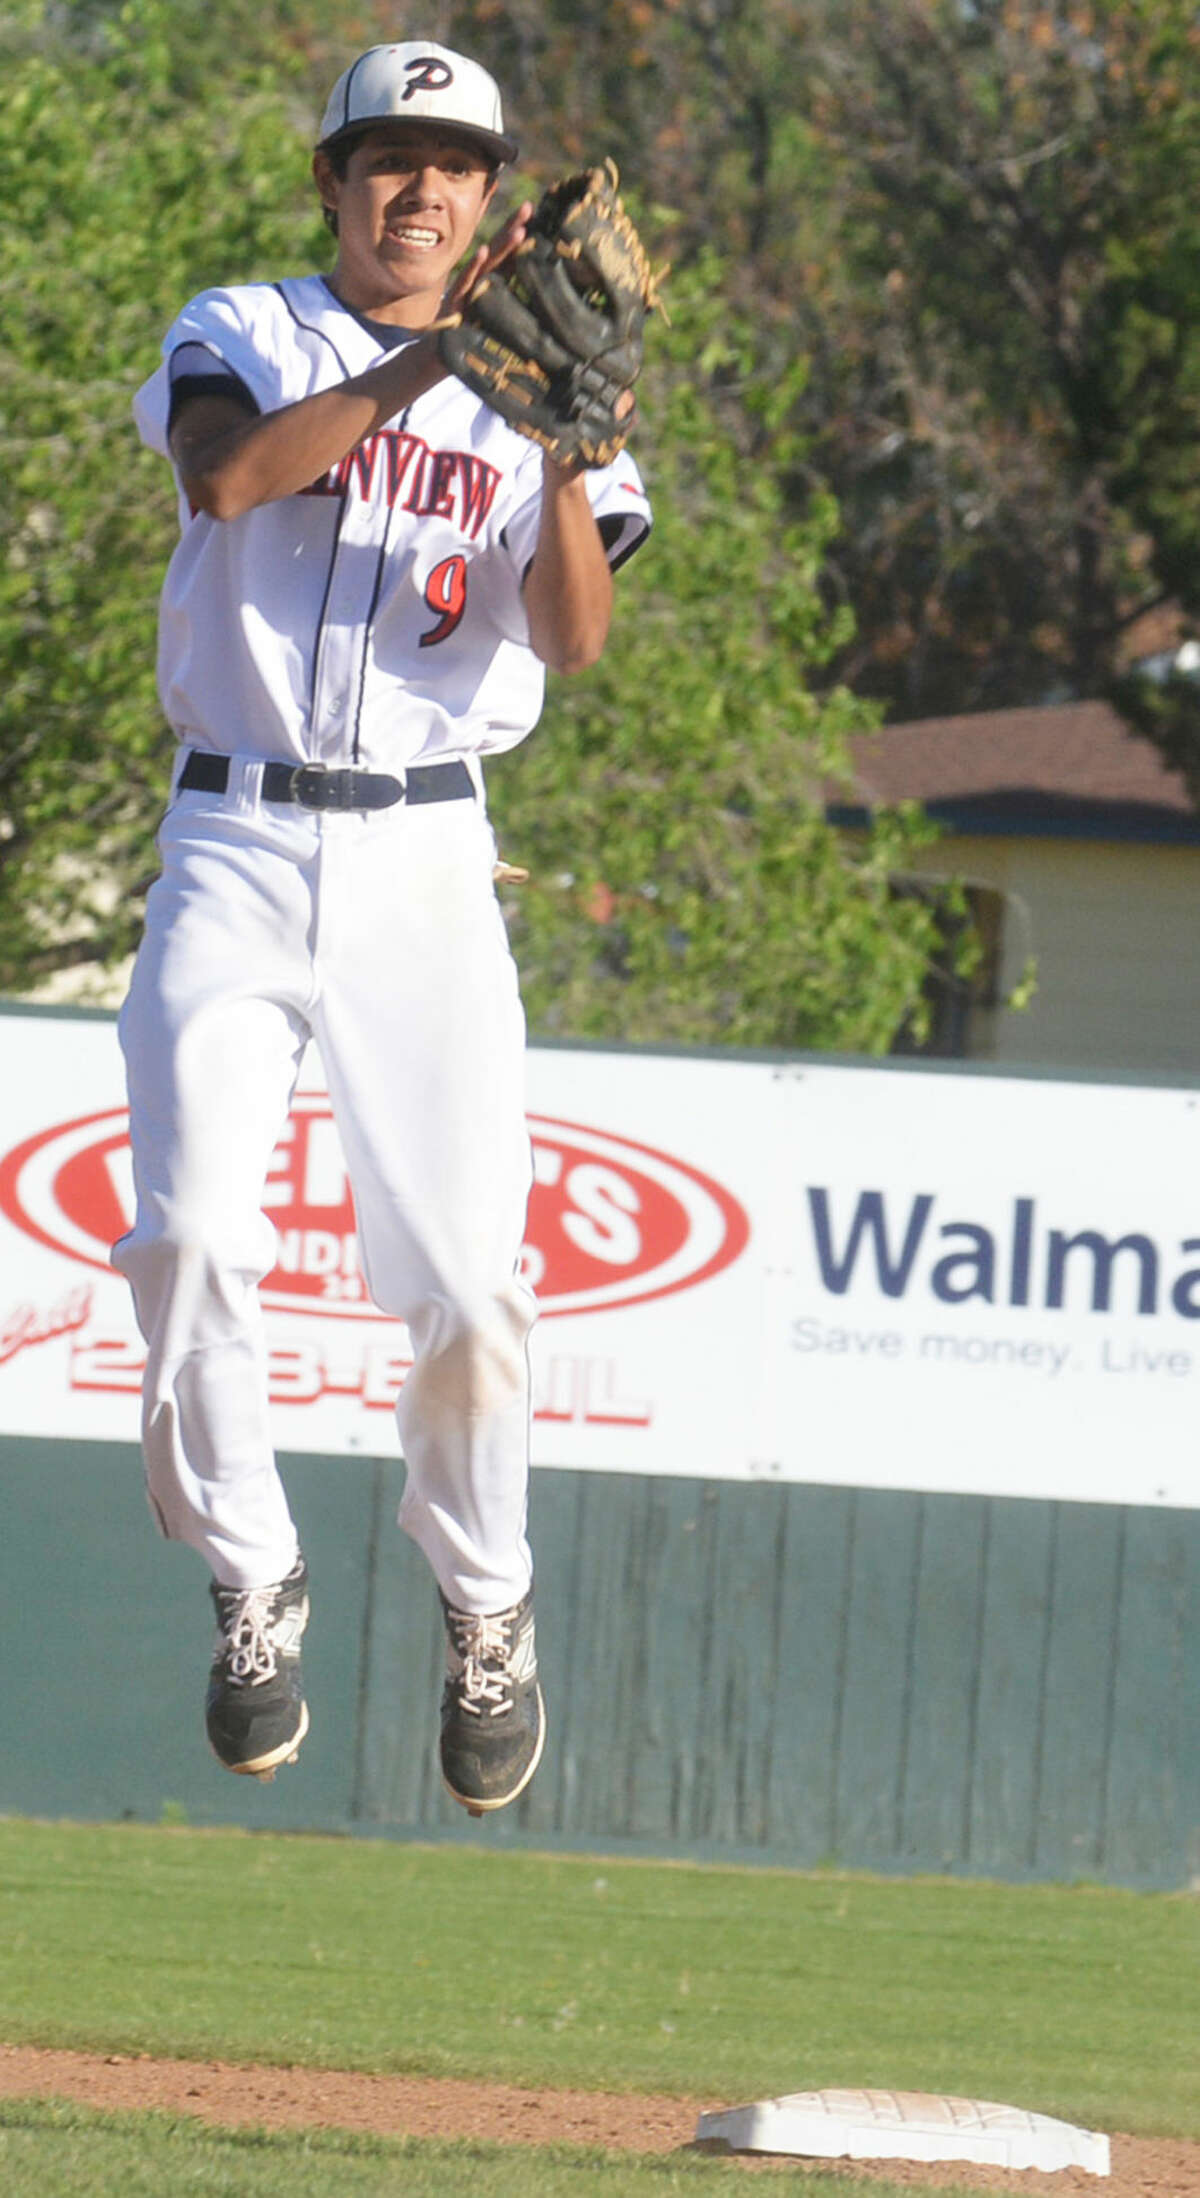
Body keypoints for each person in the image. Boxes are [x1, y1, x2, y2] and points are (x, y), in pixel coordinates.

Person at [114, 40, 651, 1816]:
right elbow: (229, 482)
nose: (418, 188)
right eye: (387, 158)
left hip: (429, 862)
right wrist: (446, 359)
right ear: (331, 181)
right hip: (237, 837)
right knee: (190, 1234)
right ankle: (251, 1576)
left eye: (453, 165)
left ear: (494, 200)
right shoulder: (246, 325)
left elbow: (570, 639)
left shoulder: (544, 396)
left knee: (472, 1286)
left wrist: (560, 448)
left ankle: (487, 1607)